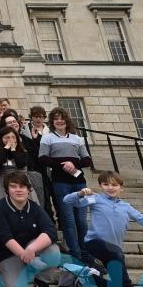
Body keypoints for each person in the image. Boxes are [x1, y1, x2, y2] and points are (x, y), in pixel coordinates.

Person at [63, 171, 143, 287]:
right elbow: (68, 200)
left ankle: (89, 276)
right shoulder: (95, 199)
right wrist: (80, 193)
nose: (110, 187)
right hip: (94, 243)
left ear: (121, 188)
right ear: (101, 186)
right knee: (121, 273)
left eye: (114, 185)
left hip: (114, 251)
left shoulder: (126, 207)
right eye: (105, 184)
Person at [0, 171, 61, 287]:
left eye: (22, 186)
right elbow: (5, 236)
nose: (18, 190)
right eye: (13, 186)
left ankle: (41, 282)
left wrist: (31, 249)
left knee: (53, 252)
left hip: (31, 250)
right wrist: (27, 257)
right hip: (9, 254)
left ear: (28, 190)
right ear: (7, 190)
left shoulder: (35, 208)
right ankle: (13, 274)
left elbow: (51, 232)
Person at [39, 107, 93, 264]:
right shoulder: (47, 138)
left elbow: (87, 160)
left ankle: (85, 252)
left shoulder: (77, 138)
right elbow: (42, 158)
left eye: (62, 118)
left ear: (67, 120)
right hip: (61, 183)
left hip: (79, 183)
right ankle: (75, 253)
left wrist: (73, 163)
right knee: (68, 222)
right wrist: (62, 164)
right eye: (56, 118)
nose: (59, 121)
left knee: (82, 222)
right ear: (52, 121)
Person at [0, 127, 40, 204]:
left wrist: (13, 150)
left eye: (13, 137)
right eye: (6, 137)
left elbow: (21, 164)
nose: (10, 140)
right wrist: (6, 148)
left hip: (22, 180)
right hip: (5, 182)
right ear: (1, 139)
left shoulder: (23, 150)